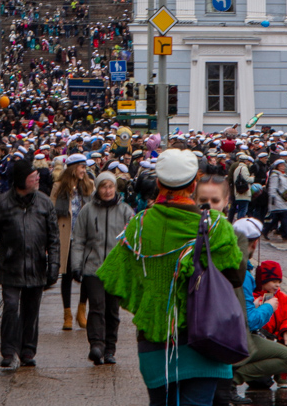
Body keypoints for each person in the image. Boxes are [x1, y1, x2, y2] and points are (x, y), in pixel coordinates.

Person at [98, 149, 244, 406]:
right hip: (205, 338)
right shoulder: (216, 225)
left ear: (158, 183)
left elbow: (113, 277)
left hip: (155, 342)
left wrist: (150, 299)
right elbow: (236, 275)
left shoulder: (139, 225)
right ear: (195, 182)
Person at [0, 159, 60, 370]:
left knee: (31, 311)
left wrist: (54, 265)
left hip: (36, 266)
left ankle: (27, 351)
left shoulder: (44, 203)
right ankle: (8, 351)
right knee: (11, 307)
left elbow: (53, 238)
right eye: (34, 177)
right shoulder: (2, 203)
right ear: (22, 180)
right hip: (10, 266)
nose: (38, 179)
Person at [70, 170, 133, 365]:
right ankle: (96, 345)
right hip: (93, 268)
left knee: (112, 310)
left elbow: (134, 241)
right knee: (97, 306)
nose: (107, 191)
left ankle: (110, 349)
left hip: (116, 269)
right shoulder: (87, 211)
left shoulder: (125, 211)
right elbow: (79, 239)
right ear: (98, 188)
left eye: (111, 186)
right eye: (104, 187)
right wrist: (76, 265)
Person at [232, 217, 287, 393]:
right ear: (253, 244)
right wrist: (268, 307)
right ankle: (231, 381)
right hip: (236, 338)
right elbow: (251, 321)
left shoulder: (228, 263)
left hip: (225, 334)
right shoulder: (243, 274)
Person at [51, 152, 93, 330]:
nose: (84, 171)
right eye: (82, 167)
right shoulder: (59, 187)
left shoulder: (89, 185)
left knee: (86, 275)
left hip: (84, 238)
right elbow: (52, 212)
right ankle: (67, 314)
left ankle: (81, 310)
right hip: (66, 236)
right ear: (73, 168)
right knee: (67, 276)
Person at [253, 260, 287, 389]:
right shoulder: (252, 297)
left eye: (279, 282)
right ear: (263, 281)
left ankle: (282, 374)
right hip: (261, 340)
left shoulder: (282, 297)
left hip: (278, 336)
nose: (277, 285)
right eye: (274, 281)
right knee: (261, 384)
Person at [263, 159, 287, 242]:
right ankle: (285, 234)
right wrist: (273, 199)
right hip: (278, 200)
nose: (283, 167)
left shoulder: (284, 175)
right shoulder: (275, 175)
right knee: (284, 215)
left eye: (284, 165)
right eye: (281, 165)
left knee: (277, 218)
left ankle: (266, 230)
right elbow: (273, 188)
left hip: (284, 199)